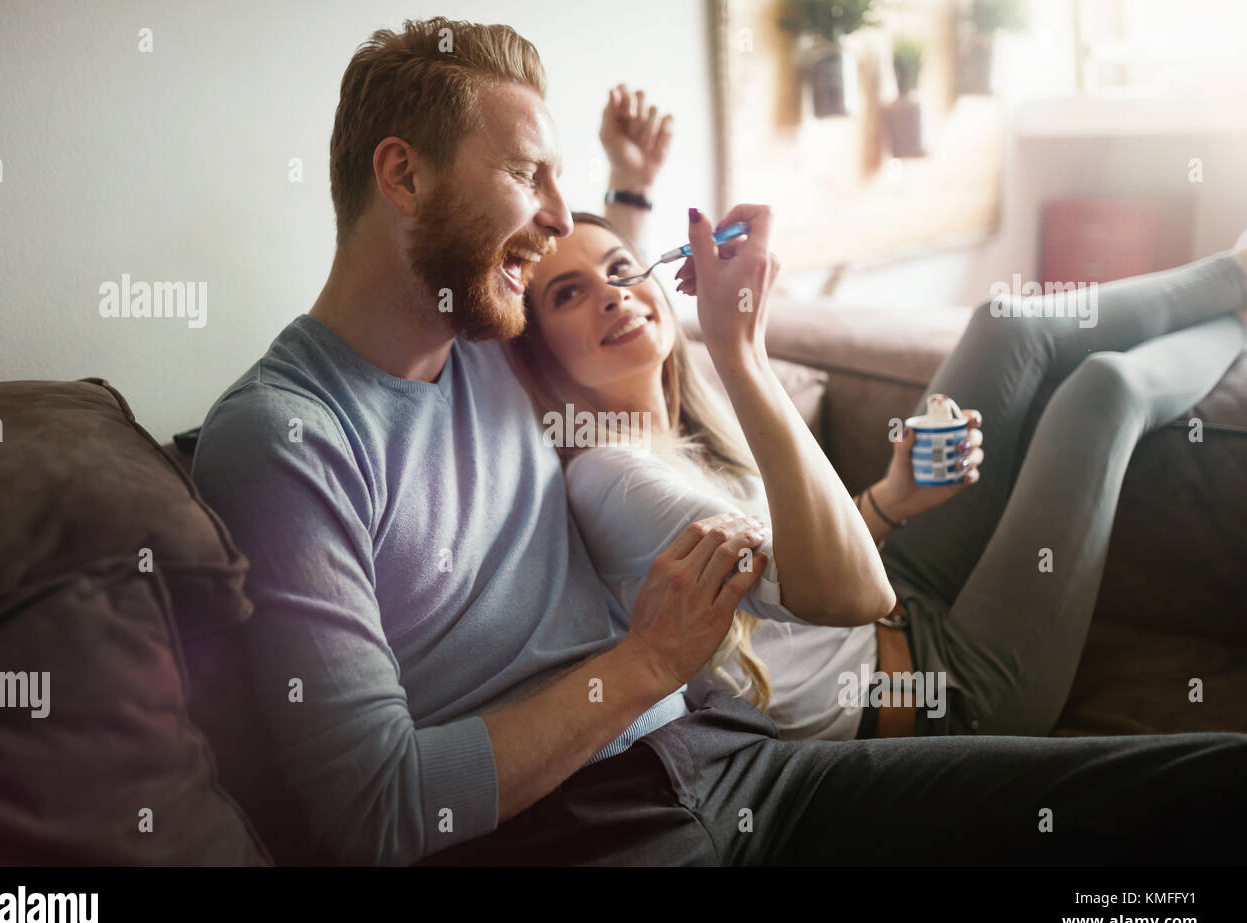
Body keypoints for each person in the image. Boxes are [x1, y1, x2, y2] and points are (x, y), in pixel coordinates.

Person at [189, 17, 1247, 867]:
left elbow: (601, 286)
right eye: (528, 177)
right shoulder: (288, 436)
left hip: (732, 752)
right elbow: (377, 809)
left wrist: (669, 238)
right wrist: (644, 659)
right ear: (404, 177)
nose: (559, 217)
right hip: (601, 821)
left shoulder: (488, 337)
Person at [506, 90, 1247, 742]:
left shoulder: (678, 419)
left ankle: (1236, 282)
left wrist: (893, 498)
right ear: (538, 355)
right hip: (945, 695)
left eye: (618, 273)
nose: (611, 295)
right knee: (1101, 395)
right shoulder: (611, 477)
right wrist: (745, 353)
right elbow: (837, 594)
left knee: (1005, 324)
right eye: (566, 296)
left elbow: (811, 567)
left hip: (899, 594)